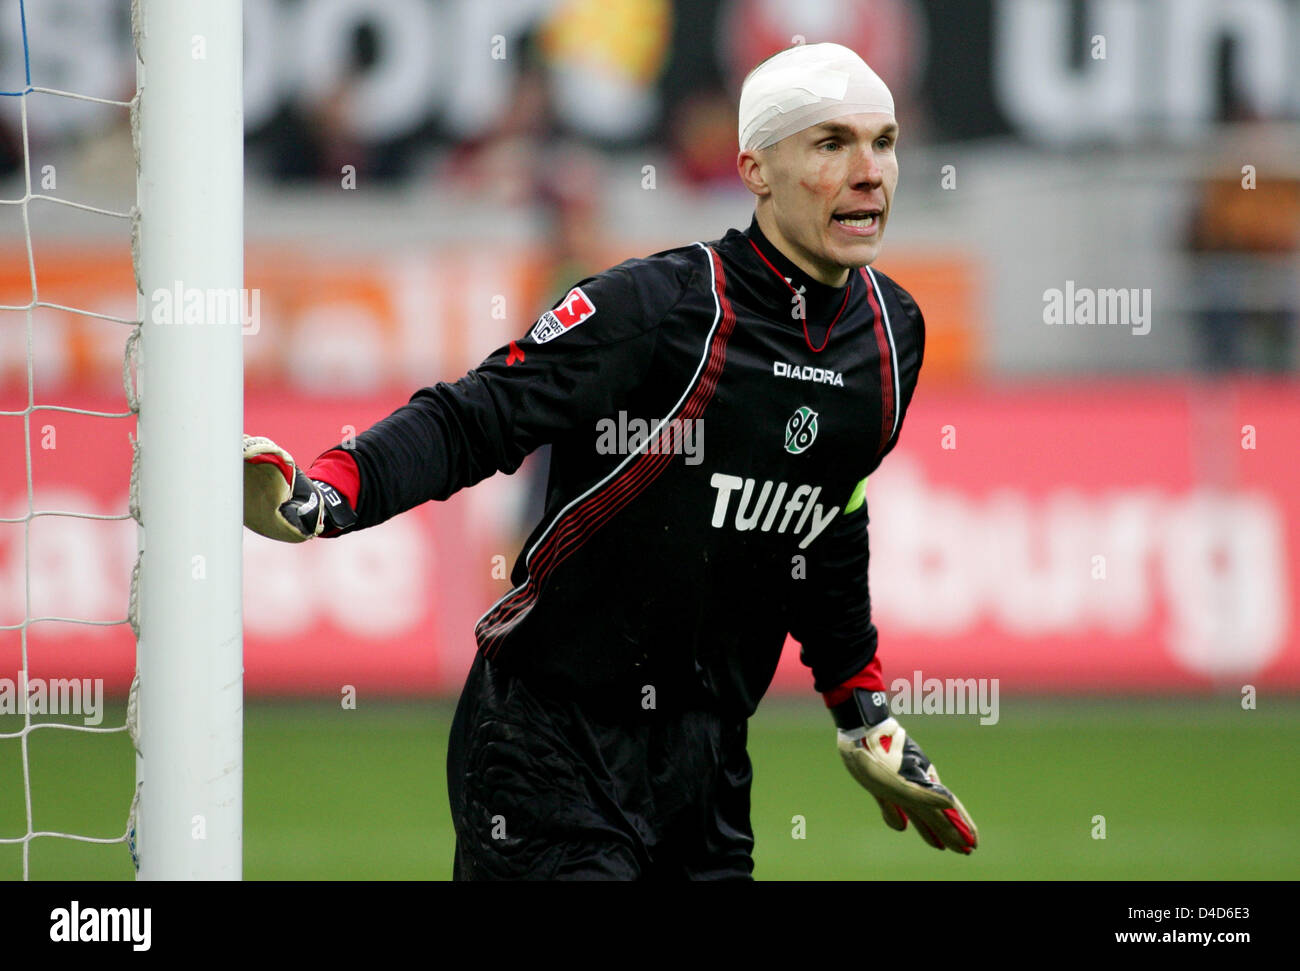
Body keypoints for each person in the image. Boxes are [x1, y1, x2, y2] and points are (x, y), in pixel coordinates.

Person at [243, 41, 978, 880]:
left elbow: (830, 518)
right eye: (830, 143)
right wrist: (328, 493)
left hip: (705, 763)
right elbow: (475, 415)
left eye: (883, 142)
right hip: (549, 738)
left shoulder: (891, 337)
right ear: (756, 169)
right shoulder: (660, 308)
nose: (869, 171)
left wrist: (862, 706)